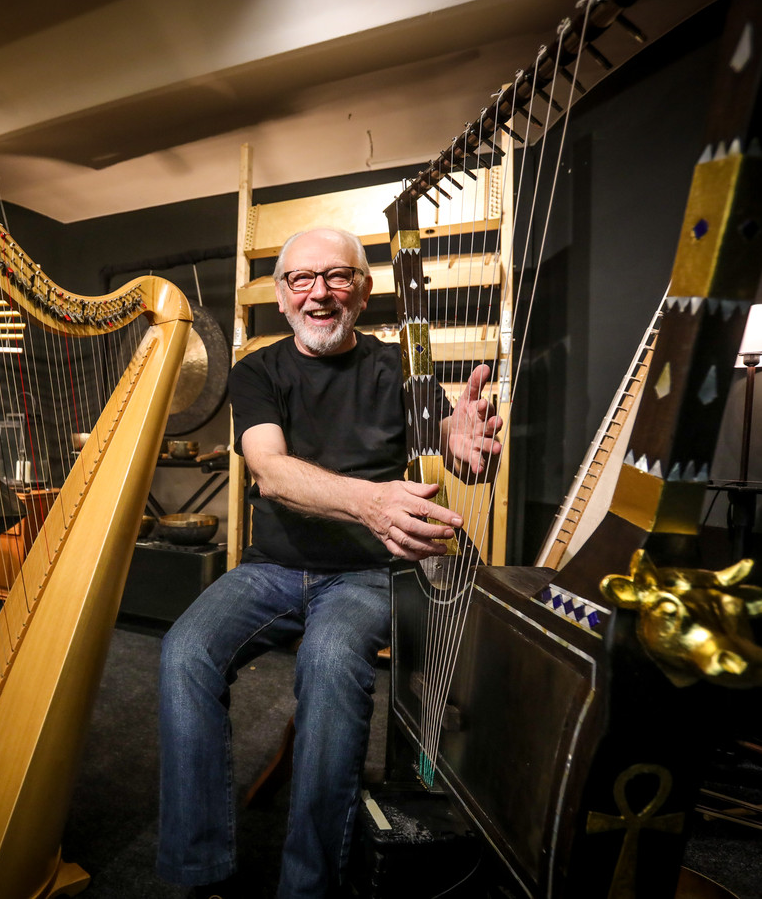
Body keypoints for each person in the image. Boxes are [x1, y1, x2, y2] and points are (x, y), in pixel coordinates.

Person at [156, 226, 502, 898]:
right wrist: (372, 502)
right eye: (301, 280)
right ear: (282, 299)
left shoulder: (403, 365)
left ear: (363, 292)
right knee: (183, 653)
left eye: (337, 277)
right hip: (271, 569)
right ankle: (202, 873)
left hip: (368, 575)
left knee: (332, 658)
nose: (320, 293)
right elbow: (272, 473)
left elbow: (448, 446)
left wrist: (461, 445)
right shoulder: (256, 372)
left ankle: (307, 888)